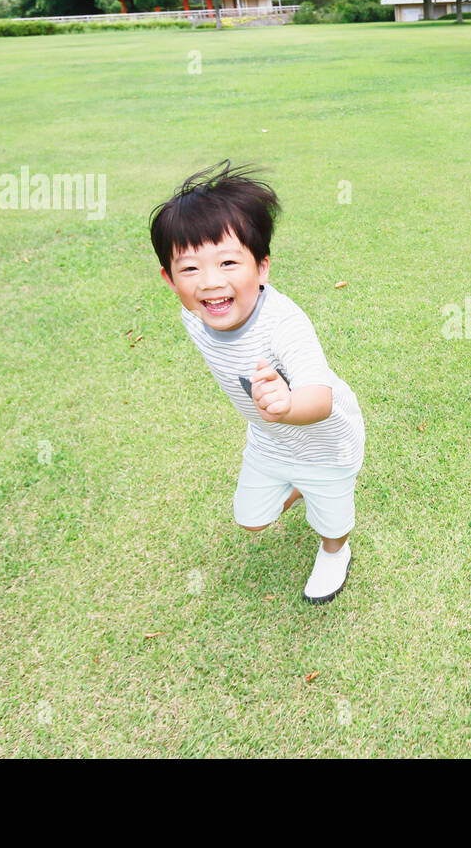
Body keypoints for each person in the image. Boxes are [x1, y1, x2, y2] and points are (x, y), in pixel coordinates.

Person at [150, 162, 365, 603]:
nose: (211, 283)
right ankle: (300, 486)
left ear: (262, 268)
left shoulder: (284, 325)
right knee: (251, 520)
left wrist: (288, 405)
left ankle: (334, 552)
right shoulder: (195, 315)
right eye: (189, 269)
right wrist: (275, 418)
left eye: (228, 262)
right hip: (269, 438)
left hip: (325, 441)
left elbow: (320, 399)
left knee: (332, 521)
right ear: (169, 280)